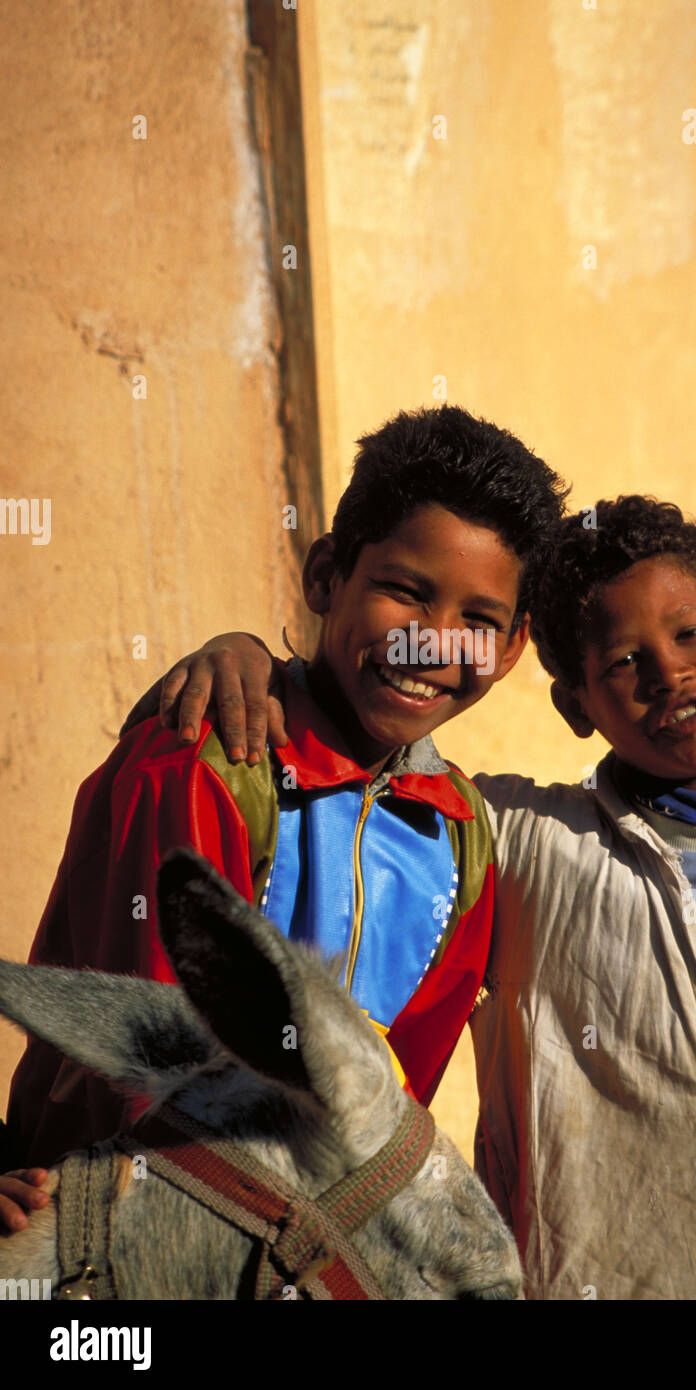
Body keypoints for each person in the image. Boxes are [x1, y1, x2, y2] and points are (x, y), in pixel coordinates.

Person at [88, 495, 696, 1299]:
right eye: (620, 662)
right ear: (574, 705)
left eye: (689, 633)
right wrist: (244, 656)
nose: (667, 672)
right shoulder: (523, 839)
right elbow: (385, 767)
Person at [0, 403, 567, 1233]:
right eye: (403, 592)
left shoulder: (461, 837)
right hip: (117, 1247)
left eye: (476, 621)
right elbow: (152, 1076)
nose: (430, 645)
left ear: (512, 647)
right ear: (325, 575)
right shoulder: (207, 761)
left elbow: (395, 1110)